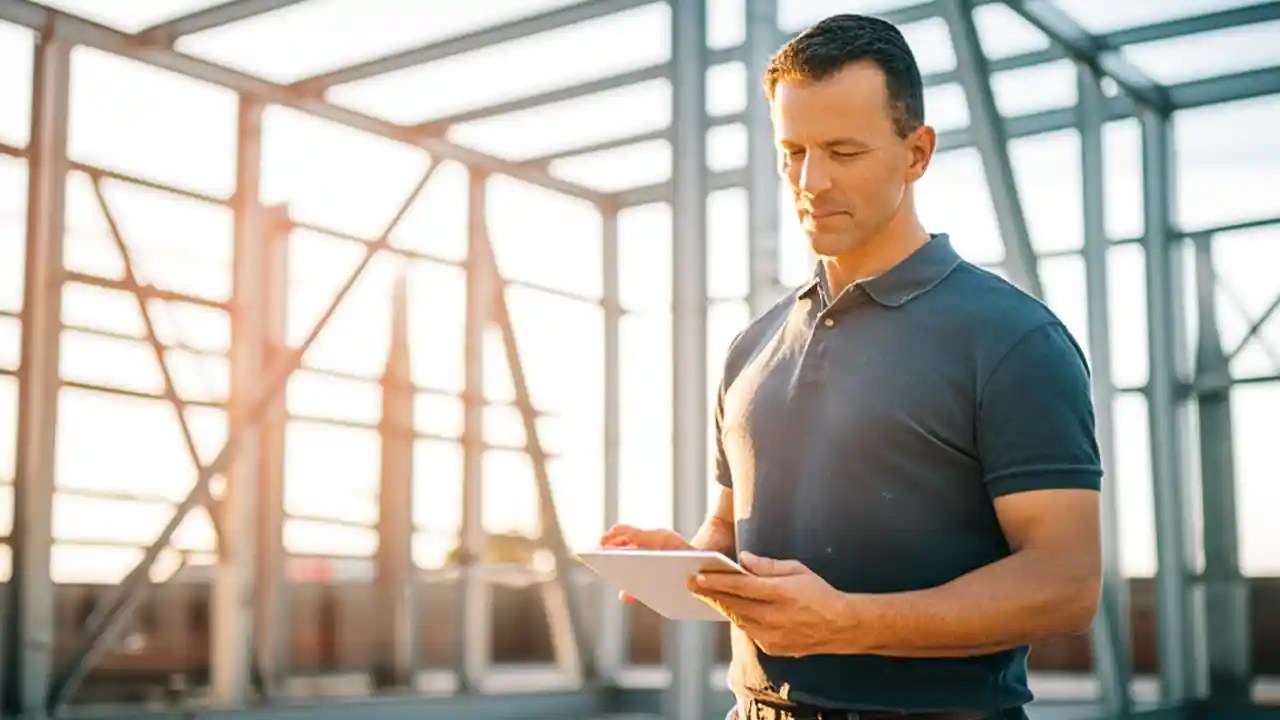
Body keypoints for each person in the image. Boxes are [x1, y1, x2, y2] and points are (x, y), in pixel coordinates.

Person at [599, 13, 1103, 720]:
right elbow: (731, 534)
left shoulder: (1014, 339)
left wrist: (847, 622)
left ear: (917, 153)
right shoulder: (752, 345)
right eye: (793, 150)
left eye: (843, 151)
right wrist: (687, 562)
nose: (812, 181)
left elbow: (1067, 584)